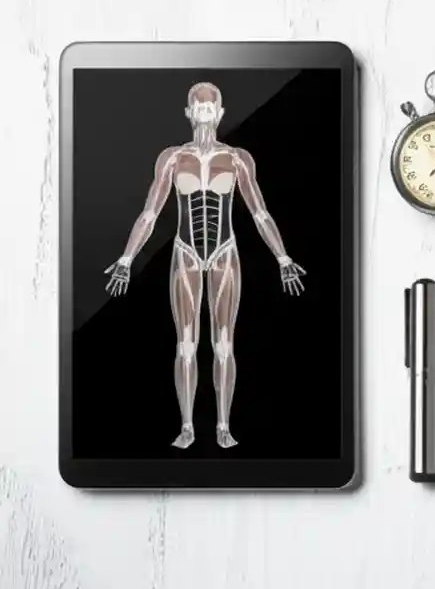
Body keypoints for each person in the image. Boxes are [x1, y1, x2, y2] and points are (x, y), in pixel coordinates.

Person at [103, 82, 306, 449]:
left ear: (221, 113)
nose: (205, 114)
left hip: (225, 252)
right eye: (199, 107)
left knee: (224, 344)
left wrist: (283, 257)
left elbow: (260, 213)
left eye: (211, 108)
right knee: (185, 344)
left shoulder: (238, 159)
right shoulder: (172, 158)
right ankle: (187, 427)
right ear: (188, 113)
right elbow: (150, 213)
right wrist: (126, 258)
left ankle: (223, 427)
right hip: (185, 253)